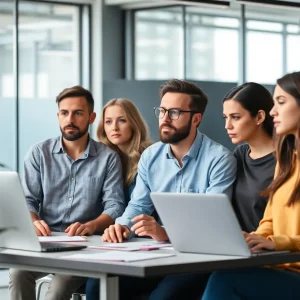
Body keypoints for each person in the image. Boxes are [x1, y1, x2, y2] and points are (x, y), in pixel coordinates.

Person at [102, 79, 237, 300]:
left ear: (196, 118)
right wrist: (122, 226)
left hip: (198, 259)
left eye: (174, 112)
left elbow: (212, 224)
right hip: (159, 256)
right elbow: (139, 204)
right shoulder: (151, 156)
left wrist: (165, 233)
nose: (165, 119)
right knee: (97, 287)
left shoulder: (220, 159)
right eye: (162, 111)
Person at [9, 86, 125, 300]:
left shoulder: (108, 158)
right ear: (58, 115)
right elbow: (28, 200)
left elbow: (115, 205)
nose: (70, 119)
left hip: (85, 247)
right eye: (64, 113)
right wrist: (33, 221)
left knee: (59, 288)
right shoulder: (38, 153)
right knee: (17, 273)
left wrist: (91, 225)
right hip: (46, 241)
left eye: (78, 113)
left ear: (91, 117)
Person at [202, 71, 300, 300]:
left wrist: (275, 242)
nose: (273, 112)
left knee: (226, 279)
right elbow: (270, 219)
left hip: (290, 269)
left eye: (281, 102)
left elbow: (278, 236)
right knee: (225, 274)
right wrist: (254, 239)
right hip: (278, 266)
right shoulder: (288, 161)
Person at [85, 98, 152, 300]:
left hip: (141, 240)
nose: (114, 127)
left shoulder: (149, 157)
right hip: (105, 239)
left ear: (133, 122)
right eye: (108, 121)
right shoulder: (98, 159)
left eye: (121, 120)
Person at [223, 82, 276, 233]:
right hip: (239, 245)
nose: (227, 125)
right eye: (225, 117)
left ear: (259, 116)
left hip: (271, 249)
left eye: (235, 117)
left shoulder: (285, 160)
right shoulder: (239, 154)